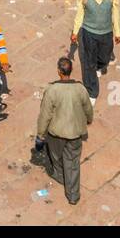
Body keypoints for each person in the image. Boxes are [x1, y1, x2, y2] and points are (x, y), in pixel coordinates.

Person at [34, 56, 94, 206]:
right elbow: (88, 108)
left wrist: (40, 135)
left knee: (55, 157)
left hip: (56, 134)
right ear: (70, 71)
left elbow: (45, 115)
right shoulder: (80, 88)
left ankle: (60, 176)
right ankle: (73, 195)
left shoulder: (52, 90)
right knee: (73, 162)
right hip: (75, 133)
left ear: (59, 71)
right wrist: (89, 119)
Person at [71, 0, 120, 102]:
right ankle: (92, 92)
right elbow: (79, 15)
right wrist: (75, 32)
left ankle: (100, 66)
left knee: (105, 57)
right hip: (89, 33)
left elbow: (115, 15)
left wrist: (117, 32)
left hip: (106, 33)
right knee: (88, 63)